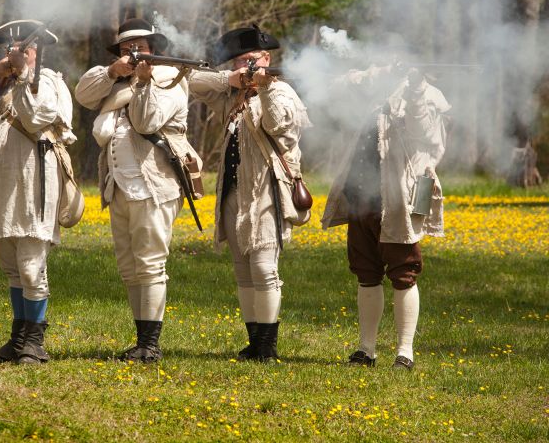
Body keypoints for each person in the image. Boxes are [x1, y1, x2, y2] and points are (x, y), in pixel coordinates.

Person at [75, 18, 200, 362]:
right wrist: (115, 72)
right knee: (129, 267)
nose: (135, 54)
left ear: (152, 51)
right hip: (119, 186)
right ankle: (141, 337)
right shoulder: (115, 81)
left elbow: (146, 123)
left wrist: (143, 83)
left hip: (154, 185)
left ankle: (150, 344)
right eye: (128, 50)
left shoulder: (169, 80)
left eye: (141, 48)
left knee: (150, 264)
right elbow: (83, 94)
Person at [0, 20, 76, 365]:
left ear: (38, 52)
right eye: (13, 46)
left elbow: (37, 117)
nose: (21, 52)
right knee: (11, 266)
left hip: (36, 183)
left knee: (31, 265)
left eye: (27, 47)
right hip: (1, 185)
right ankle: (19, 338)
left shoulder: (49, 83)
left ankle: (35, 340)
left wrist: (24, 76)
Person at [189, 25, 311, 362]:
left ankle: (267, 347)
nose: (248, 66)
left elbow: (277, 125)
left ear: (267, 59)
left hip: (266, 192)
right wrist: (232, 80)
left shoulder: (282, 92)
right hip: (233, 193)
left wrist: (266, 86)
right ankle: (254, 341)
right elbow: (192, 81)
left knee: (263, 269)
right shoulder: (234, 91)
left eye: (253, 60)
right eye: (241, 61)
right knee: (243, 271)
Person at [321, 64, 451, 370]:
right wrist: (368, 75)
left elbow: (427, 136)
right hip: (360, 197)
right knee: (366, 273)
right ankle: (366, 349)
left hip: (400, 196)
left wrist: (415, 91)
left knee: (404, 273)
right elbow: (333, 91)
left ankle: (404, 352)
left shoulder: (427, 95)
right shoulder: (369, 89)